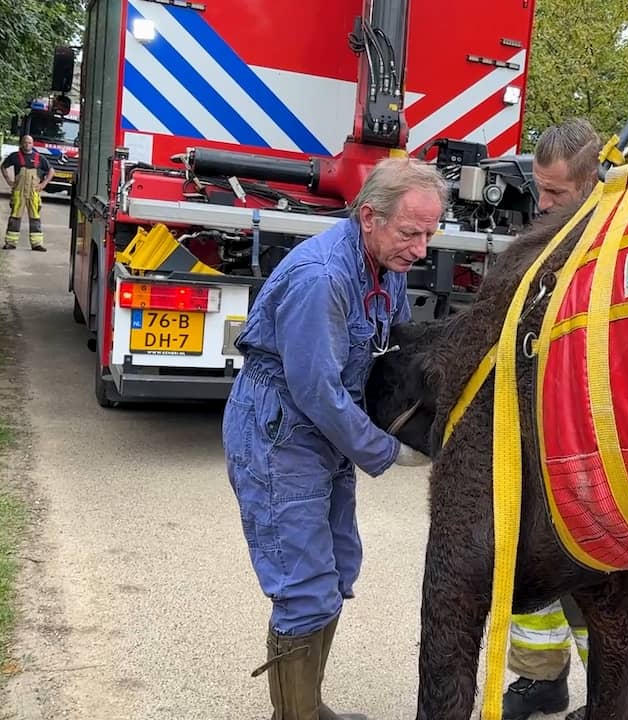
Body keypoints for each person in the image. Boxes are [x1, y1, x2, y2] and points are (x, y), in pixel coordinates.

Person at [222, 157, 442, 720]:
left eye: (430, 234)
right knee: (304, 584)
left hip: (326, 433)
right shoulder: (323, 277)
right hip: (283, 430)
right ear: (369, 216)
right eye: (410, 233)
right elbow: (317, 390)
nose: (420, 249)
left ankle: (305, 706)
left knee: (338, 565)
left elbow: (387, 353)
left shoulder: (384, 267)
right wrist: (387, 449)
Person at [502, 118, 628, 720]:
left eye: (556, 195)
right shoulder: (554, 236)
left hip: (601, 443)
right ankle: (542, 681)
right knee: (526, 560)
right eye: (539, 190)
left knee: (603, 579)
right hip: (544, 433)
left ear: (595, 183)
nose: (540, 205)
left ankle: (624, 697)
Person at [0, 135, 54, 251]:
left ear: (32, 144)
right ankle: (10, 242)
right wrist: (9, 180)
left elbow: (51, 171)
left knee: (35, 218)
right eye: (25, 142)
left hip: (33, 193)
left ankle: (37, 244)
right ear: (21, 144)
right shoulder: (15, 157)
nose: (27, 145)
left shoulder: (39, 158)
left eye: (29, 143)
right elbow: (3, 167)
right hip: (19, 192)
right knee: (15, 217)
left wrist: (43, 184)